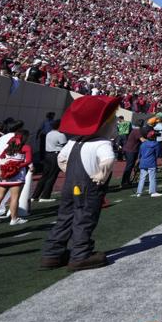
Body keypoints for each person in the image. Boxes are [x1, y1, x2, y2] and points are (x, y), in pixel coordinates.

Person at [40, 95, 118, 271]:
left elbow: (61, 159)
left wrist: (70, 172)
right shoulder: (102, 143)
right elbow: (108, 160)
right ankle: (80, 255)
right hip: (88, 186)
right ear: (104, 124)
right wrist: (100, 175)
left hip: (70, 184)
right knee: (84, 218)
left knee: (65, 217)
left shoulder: (75, 140)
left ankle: (52, 254)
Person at [0, 128, 32, 226]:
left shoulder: (8, 147)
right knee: (14, 198)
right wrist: (16, 166)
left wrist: (6, 167)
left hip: (4, 175)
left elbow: (0, 159)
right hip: (17, 176)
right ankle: (14, 219)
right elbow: (28, 161)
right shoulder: (26, 147)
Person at [31, 119, 66, 202]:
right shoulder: (60, 135)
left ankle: (35, 195)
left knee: (44, 175)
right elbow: (65, 146)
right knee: (52, 176)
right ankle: (45, 196)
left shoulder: (49, 133)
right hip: (56, 155)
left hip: (48, 155)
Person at [135, 126, 162, 197]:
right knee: (152, 178)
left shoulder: (143, 144)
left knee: (142, 178)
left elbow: (140, 154)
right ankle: (152, 192)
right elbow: (157, 154)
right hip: (151, 162)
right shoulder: (156, 144)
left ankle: (139, 192)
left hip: (143, 162)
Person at [120, 121, 142, 187]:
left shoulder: (135, 130)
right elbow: (142, 140)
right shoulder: (137, 131)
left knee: (130, 165)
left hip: (131, 150)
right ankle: (124, 182)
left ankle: (126, 181)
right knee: (129, 166)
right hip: (131, 150)